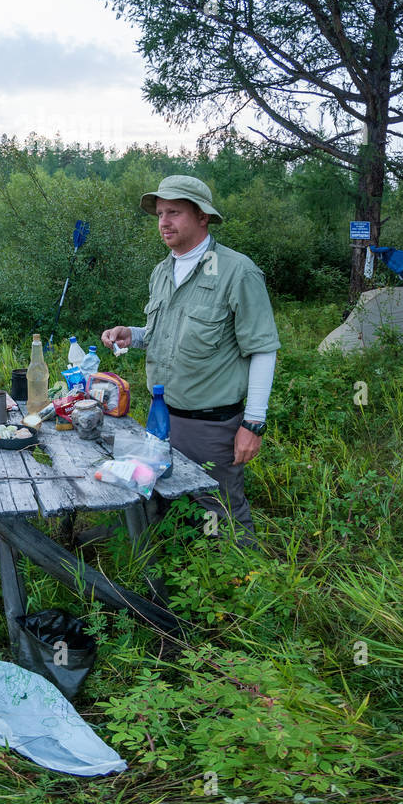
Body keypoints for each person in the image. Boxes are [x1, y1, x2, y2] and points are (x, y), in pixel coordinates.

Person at [99, 175, 278, 543]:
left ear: (203, 218)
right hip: (161, 416)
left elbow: (262, 349)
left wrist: (253, 424)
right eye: (160, 213)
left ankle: (236, 579)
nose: (164, 221)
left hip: (211, 425)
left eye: (175, 212)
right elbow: (168, 334)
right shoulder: (163, 271)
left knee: (218, 505)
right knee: (161, 492)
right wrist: (132, 334)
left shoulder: (237, 272)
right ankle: (166, 560)